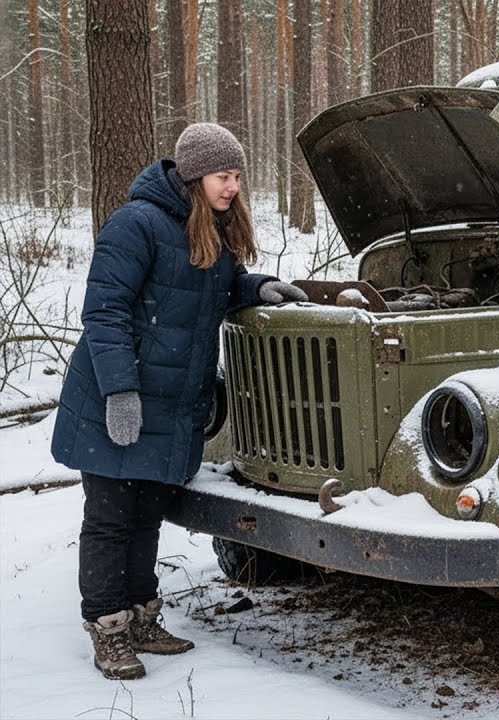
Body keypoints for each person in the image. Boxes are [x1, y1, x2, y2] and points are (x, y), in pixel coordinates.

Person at [51, 122, 307, 679]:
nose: (233, 186)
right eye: (223, 175)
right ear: (193, 177)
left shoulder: (207, 229)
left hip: (169, 404)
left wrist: (255, 287)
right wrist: (120, 390)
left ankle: (143, 617)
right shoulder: (136, 224)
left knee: (146, 518)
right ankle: (108, 629)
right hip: (117, 399)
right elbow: (104, 312)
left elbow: (214, 287)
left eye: (238, 175)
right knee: (109, 519)